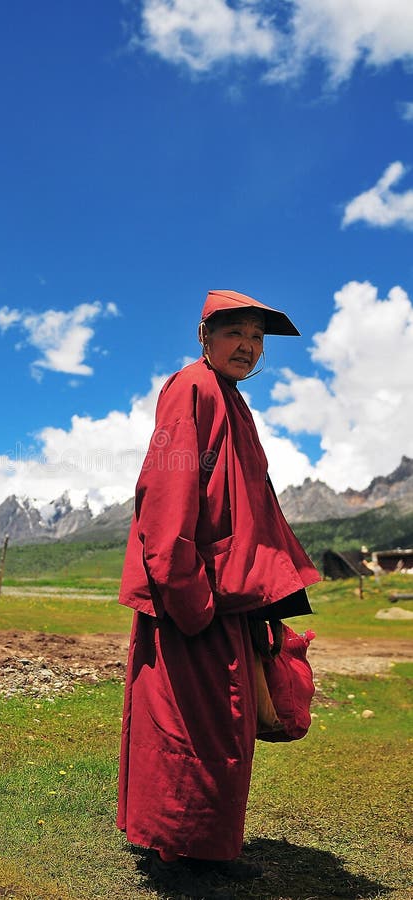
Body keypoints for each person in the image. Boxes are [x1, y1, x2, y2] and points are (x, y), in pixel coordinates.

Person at [116, 289, 320, 895]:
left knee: (225, 726)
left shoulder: (230, 398)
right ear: (204, 336)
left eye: (256, 338)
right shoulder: (191, 389)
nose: (248, 347)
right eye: (235, 333)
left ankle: (208, 847)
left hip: (228, 592)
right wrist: (186, 592)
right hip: (193, 594)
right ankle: (175, 853)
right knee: (187, 725)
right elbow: (166, 490)